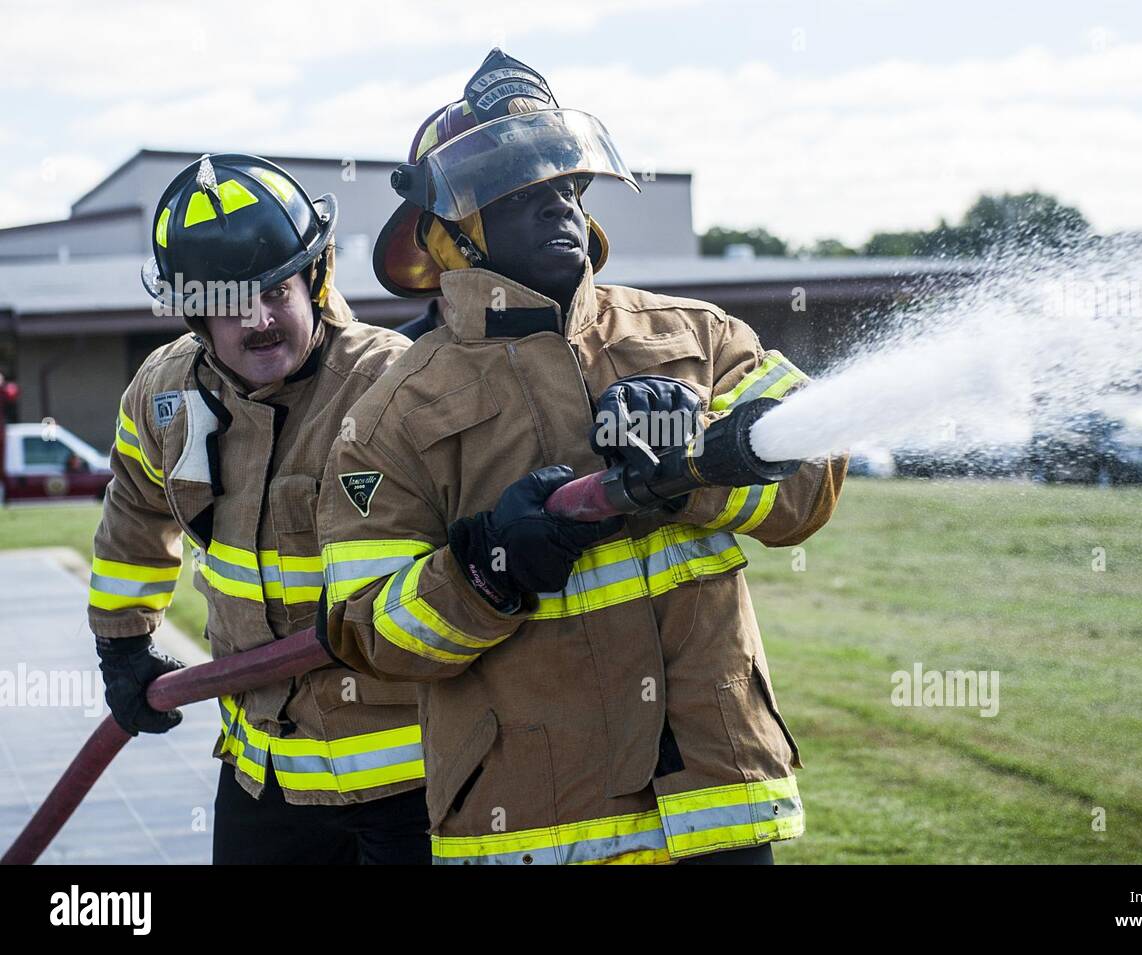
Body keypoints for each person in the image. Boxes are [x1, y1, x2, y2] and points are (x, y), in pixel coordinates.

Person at [318, 50, 847, 865]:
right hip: (533, 825)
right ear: (449, 231)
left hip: (715, 798)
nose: (559, 204)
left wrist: (697, 458)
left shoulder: (696, 337)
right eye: (521, 191)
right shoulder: (389, 413)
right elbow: (367, 631)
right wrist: (487, 570)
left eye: (567, 185)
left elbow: (811, 482)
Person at [90, 154, 428, 864]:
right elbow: (134, 514)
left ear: (317, 276)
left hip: (410, 778)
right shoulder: (164, 393)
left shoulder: (393, 384)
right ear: (193, 312)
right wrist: (122, 643)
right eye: (228, 300)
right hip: (261, 772)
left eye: (276, 288)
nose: (258, 319)